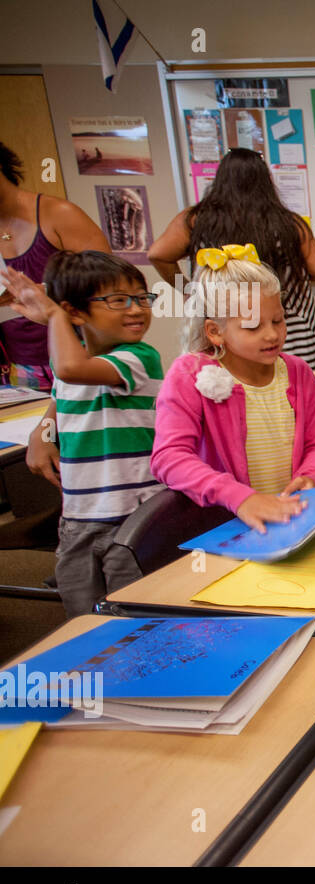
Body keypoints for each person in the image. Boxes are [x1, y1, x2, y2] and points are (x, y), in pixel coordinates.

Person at [148, 148, 315, 470]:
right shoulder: (287, 222)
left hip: (236, 335)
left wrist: (195, 296)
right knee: (297, 412)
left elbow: (158, 253)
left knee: (245, 414)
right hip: (292, 332)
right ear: (267, 181)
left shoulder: (198, 219)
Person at [0, 252, 163, 617]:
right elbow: (62, 393)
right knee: (82, 614)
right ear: (77, 312)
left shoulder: (138, 357)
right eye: (118, 300)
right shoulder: (71, 357)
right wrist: (42, 433)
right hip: (78, 516)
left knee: (136, 615)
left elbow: (73, 370)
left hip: (130, 518)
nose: (137, 309)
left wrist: (54, 315)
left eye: (142, 297)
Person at [150, 248, 315, 533]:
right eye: (253, 326)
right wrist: (241, 498)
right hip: (225, 525)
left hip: (292, 521)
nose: (272, 334)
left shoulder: (297, 372)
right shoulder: (189, 375)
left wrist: (312, 476)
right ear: (215, 331)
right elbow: (169, 458)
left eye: (278, 320)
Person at [0, 141, 110, 390]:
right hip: (21, 368)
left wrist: (49, 295)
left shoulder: (58, 214)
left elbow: (113, 284)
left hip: (83, 355)